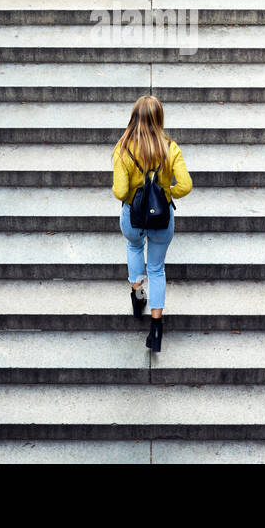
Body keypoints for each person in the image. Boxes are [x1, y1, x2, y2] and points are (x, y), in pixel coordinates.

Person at [112, 95, 192, 353]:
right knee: (156, 268)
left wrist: (133, 199)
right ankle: (156, 328)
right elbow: (186, 185)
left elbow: (120, 190)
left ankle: (137, 297)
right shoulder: (171, 148)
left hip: (133, 217)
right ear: (159, 118)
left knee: (134, 248)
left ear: (134, 116)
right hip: (162, 218)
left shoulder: (123, 149)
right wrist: (166, 195)